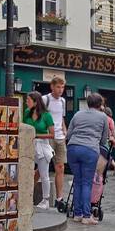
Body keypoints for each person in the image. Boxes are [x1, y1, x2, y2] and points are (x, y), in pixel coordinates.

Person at [64, 93, 111, 225]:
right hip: (90, 149)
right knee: (86, 183)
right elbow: (103, 138)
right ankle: (86, 215)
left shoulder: (78, 114)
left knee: (77, 181)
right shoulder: (103, 117)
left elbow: (69, 133)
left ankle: (77, 214)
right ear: (100, 104)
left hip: (73, 148)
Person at [23, 91, 55, 209]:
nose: (27, 102)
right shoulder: (27, 112)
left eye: (28, 100)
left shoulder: (46, 115)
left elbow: (52, 134)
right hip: (28, 145)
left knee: (44, 174)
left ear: (36, 102)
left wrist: (37, 135)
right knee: (26, 172)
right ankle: (26, 197)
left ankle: (45, 200)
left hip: (42, 146)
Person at [44, 77, 70, 212]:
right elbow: (40, 116)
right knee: (44, 165)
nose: (61, 90)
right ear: (52, 87)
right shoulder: (45, 99)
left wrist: (64, 131)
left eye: (62, 87)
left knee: (60, 167)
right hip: (49, 136)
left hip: (60, 137)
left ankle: (59, 198)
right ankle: (33, 191)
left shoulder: (63, 101)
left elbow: (61, 118)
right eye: (58, 87)